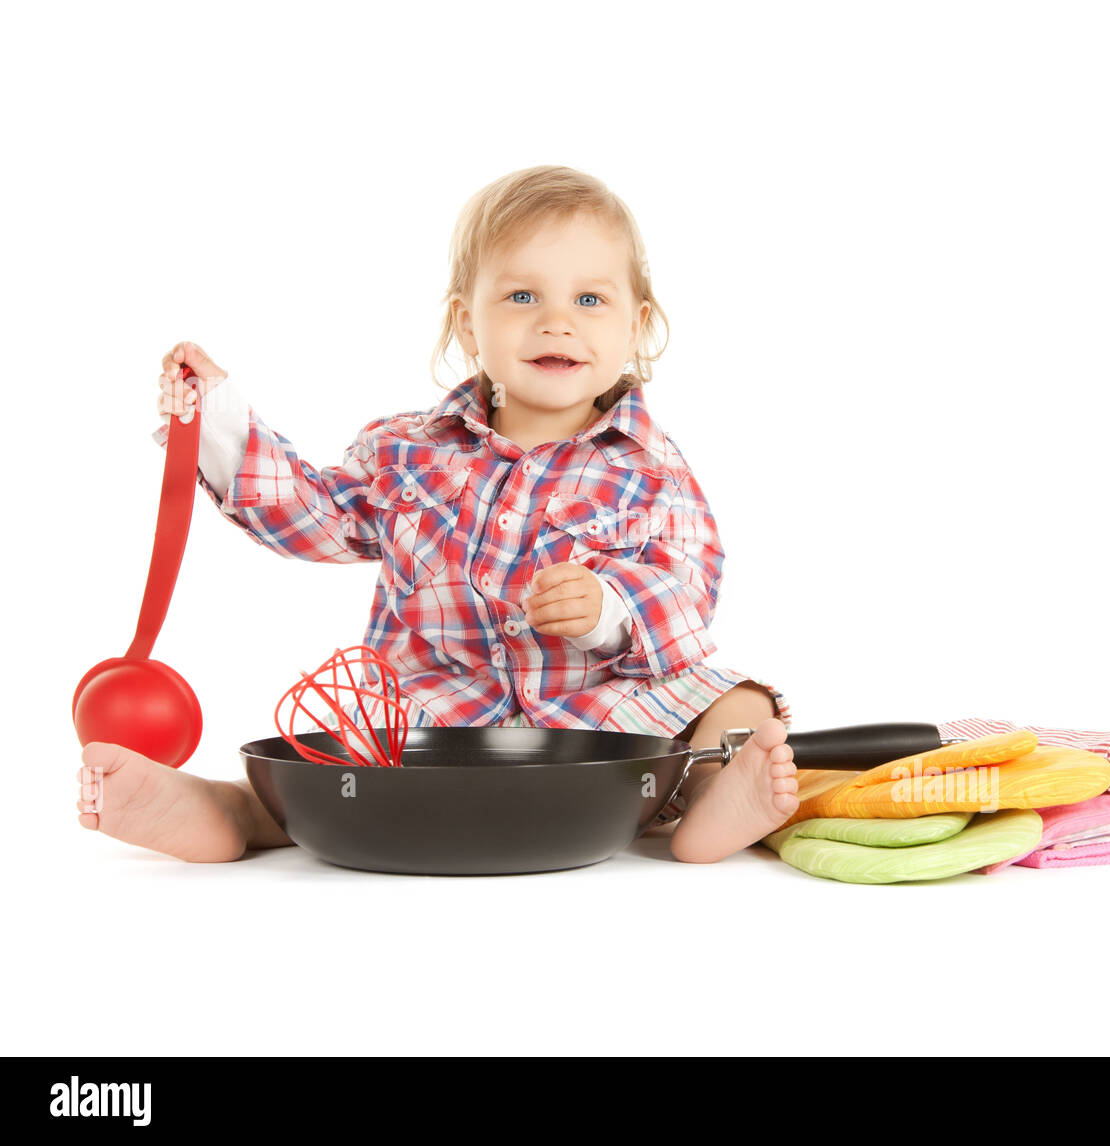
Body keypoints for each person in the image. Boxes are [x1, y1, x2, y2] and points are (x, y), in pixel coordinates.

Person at [77, 165, 799, 865]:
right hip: (436, 722)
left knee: (736, 699)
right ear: (466, 322)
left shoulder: (650, 467)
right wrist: (216, 428)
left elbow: (690, 593)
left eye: (589, 300)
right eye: (521, 297)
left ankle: (710, 795)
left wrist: (610, 608)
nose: (556, 322)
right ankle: (229, 811)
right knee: (328, 768)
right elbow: (315, 516)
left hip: (600, 733)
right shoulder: (408, 451)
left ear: (636, 324)